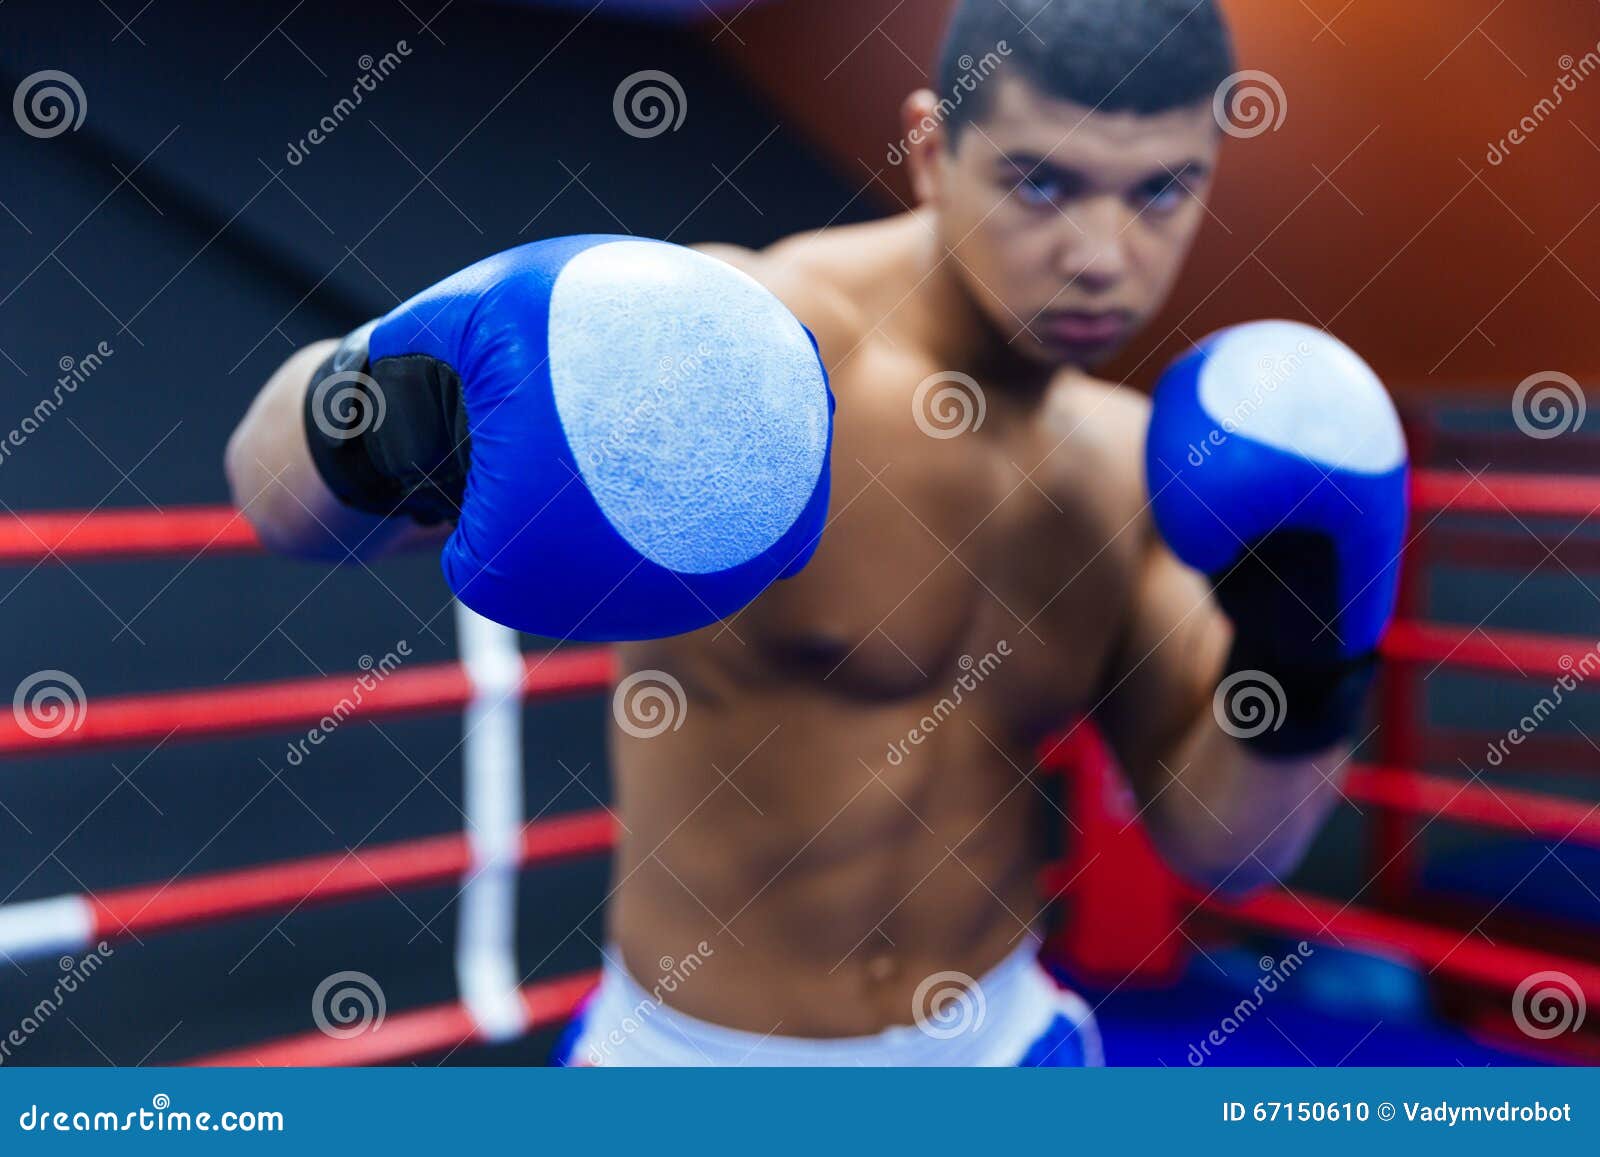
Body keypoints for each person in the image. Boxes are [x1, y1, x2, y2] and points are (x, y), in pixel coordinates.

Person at [224, 0, 1406, 1066]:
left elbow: (1224, 841)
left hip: (998, 1046)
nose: (1102, 254)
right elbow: (269, 493)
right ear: (933, 147)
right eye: (1041, 183)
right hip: (697, 1066)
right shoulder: (749, 350)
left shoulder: (1131, 464)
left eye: (1159, 191)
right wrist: (394, 409)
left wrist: (1309, 640)